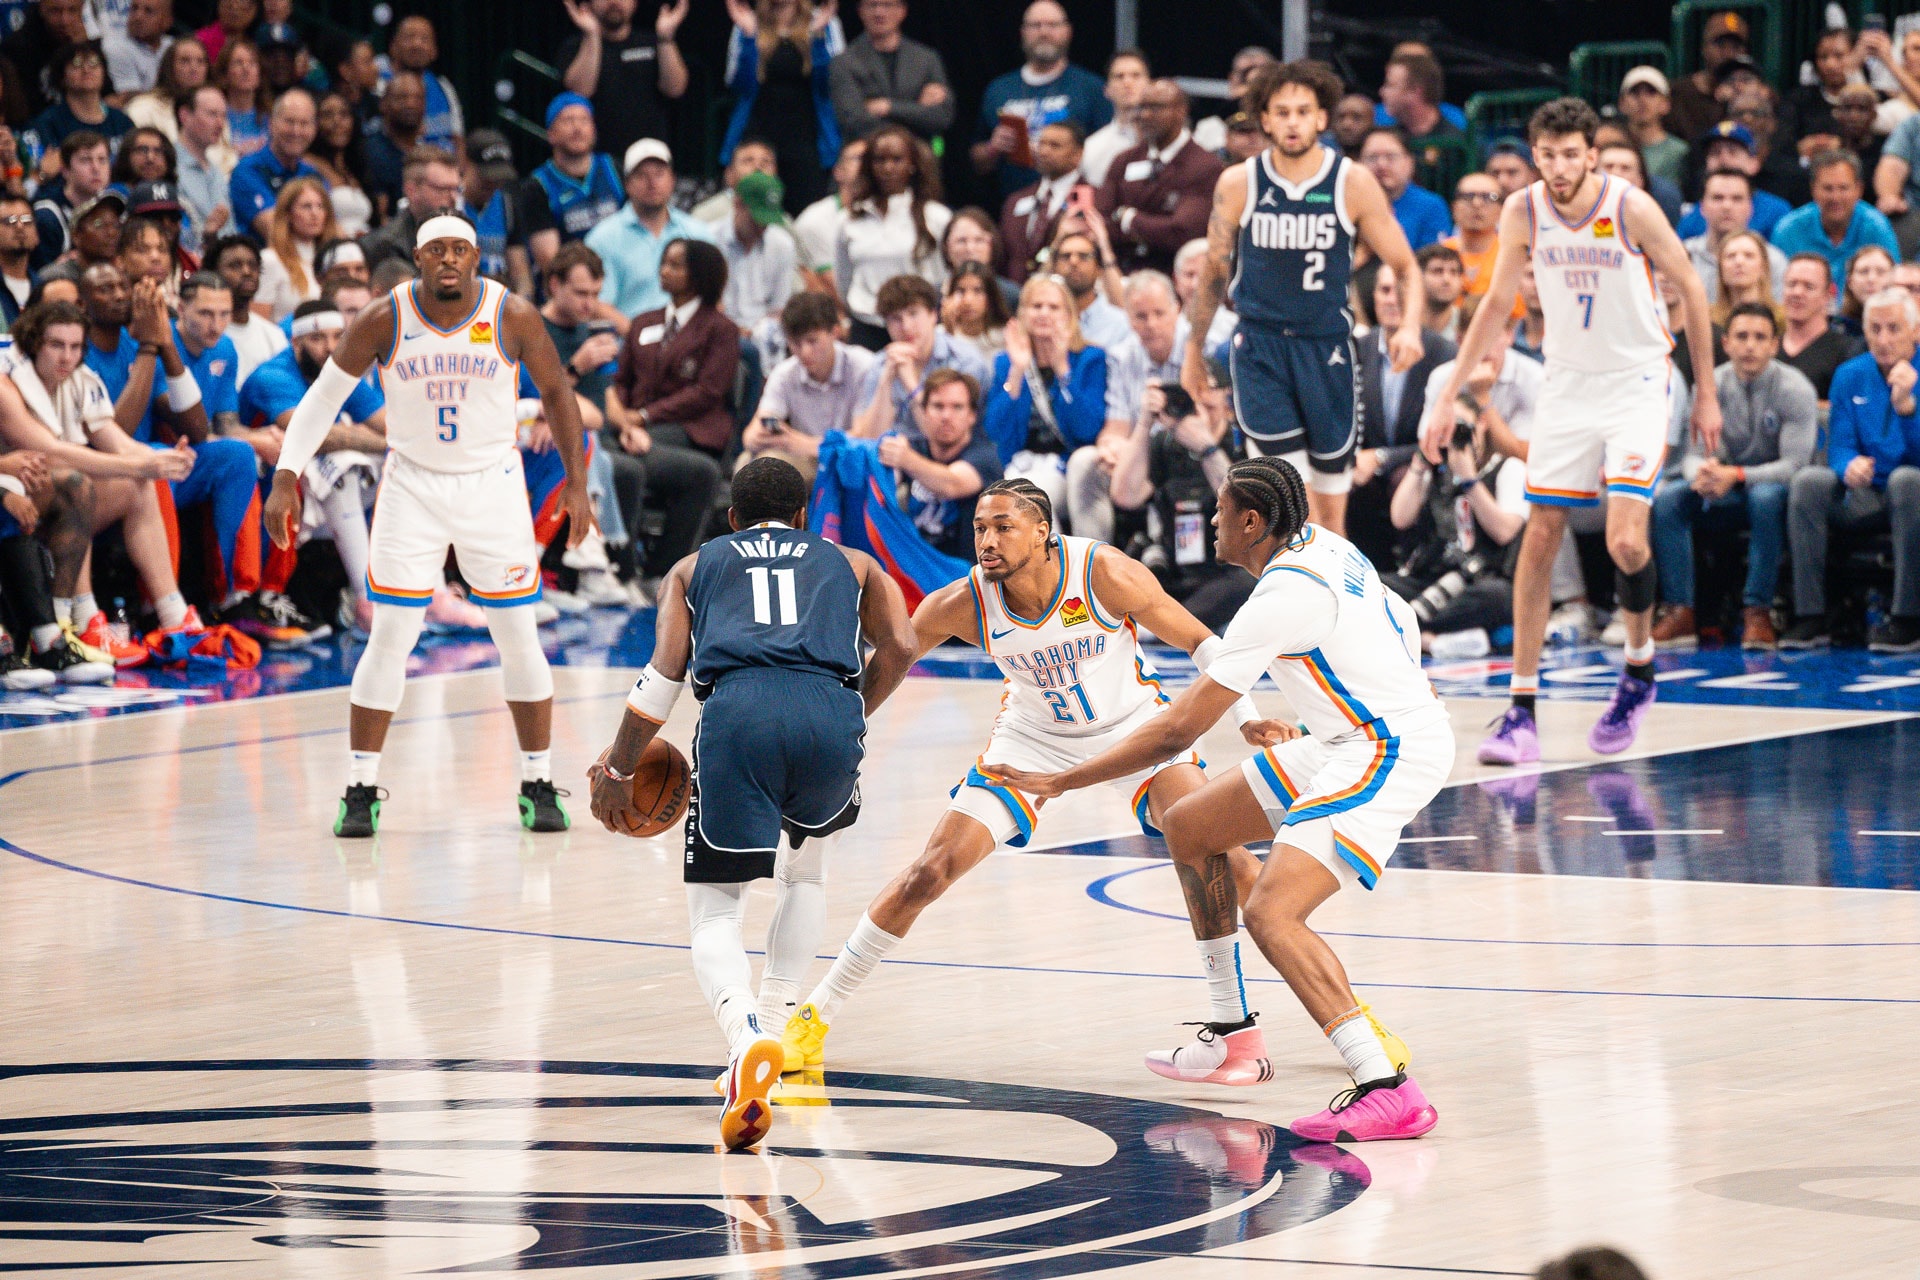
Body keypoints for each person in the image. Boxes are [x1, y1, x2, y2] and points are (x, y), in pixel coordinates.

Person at [986, 457, 1448, 1139]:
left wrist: (1062, 780)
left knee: (1273, 914)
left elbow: (1176, 729)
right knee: (1189, 824)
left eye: (1220, 509)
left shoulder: (1280, 596)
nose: (1209, 520)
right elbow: (1398, 619)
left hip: (1383, 748)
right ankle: (1233, 1034)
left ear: (1251, 522)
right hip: (1343, 734)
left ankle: (1383, 1083)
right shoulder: (1329, 546)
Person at [790, 473, 1290, 1082]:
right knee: (930, 871)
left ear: (1043, 531)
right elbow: (893, 656)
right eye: (979, 529)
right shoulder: (962, 601)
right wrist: (841, 731)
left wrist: (1250, 719)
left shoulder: (1103, 572)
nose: (988, 541)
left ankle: (1323, 1006)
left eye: (1004, 527)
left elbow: (1204, 643)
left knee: (1223, 856)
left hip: (1133, 727)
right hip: (1032, 741)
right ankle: (812, 1019)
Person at [587, 455, 914, 1152]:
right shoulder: (852, 562)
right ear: (803, 517)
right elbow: (905, 644)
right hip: (829, 710)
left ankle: (746, 1038)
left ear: (731, 519)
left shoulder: (692, 566)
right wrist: (854, 711)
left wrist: (618, 765)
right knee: (807, 874)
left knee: (716, 909)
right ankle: (777, 1020)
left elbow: (660, 681)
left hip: (739, 714)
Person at [263, 212, 594, 836]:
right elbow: (321, 400)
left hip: (491, 484)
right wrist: (286, 475)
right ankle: (360, 788)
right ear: (418, 258)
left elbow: (556, 394)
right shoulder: (384, 317)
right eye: (435, 249)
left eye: (459, 249)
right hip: (412, 484)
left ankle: (538, 780)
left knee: (517, 635)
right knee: (391, 634)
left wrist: (577, 483)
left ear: (476, 258)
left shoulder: (512, 314)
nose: (448, 259)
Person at [1432, 97, 1719, 766]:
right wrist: (1449, 391)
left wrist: (1704, 391)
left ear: (1591, 153)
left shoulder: (1630, 208)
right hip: (1567, 383)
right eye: (1548, 153)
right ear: (1535, 154)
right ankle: (1520, 710)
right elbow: (1497, 302)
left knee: (1624, 539)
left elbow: (1692, 291)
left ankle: (1639, 666)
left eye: (1571, 153)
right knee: (1540, 538)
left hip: (1638, 381)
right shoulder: (1522, 209)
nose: (1559, 166)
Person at [1185, 62, 1426, 538]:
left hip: (1328, 350)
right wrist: (1193, 351)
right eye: (1281, 112)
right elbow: (1213, 276)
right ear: (1265, 119)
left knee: (1332, 514)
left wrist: (1412, 326)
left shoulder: (1350, 182)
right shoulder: (1239, 184)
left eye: (1303, 111)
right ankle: (1299, 605)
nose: (1292, 121)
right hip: (1260, 349)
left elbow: (1405, 266)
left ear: (1321, 118)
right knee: (1290, 504)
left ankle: (1336, 603)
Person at [1650, 302, 1812, 652]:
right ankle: (1681, 611)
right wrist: (1704, 473)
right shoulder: (1711, 386)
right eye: (1741, 336)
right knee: (1669, 499)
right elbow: (1692, 457)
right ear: (1726, 343)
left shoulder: (1794, 387)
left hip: (1773, 491)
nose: (1750, 345)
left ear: (1774, 344)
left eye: (1759, 338)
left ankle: (1758, 611)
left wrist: (1736, 474)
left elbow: (1795, 466)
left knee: (1765, 497)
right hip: (1724, 488)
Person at [1784, 287, 1920, 653]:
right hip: (1866, 492)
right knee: (1810, 482)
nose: (1883, 339)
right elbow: (1840, 443)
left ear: (1915, 330)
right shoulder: (1850, 374)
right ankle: (1811, 614)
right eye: (1874, 329)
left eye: (1893, 328)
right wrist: (1847, 466)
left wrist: (1908, 410)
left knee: (1908, 481)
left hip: (1910, 493)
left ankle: (1908, 618)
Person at [1386, 386, 1530, 652]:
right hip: (1433, 578)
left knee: (1497, 598)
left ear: (1482, 424)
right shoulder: (1433, 469)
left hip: (1482, 579)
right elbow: (1400, 518)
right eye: (1446, 428)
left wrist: (1469, 479)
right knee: (1376, 585)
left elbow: (1505, 532)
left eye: (1461, 426)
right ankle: (1434, 640)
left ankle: (1409, 634)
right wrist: (1420, 461)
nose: (1453, 435)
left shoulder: (1509, 468)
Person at [1110, 355, 1249, 626]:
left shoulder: (1241, 442)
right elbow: (1126, 496)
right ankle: (1168, 624)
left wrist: (1208, 449)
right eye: (1190, 393)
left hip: (1223, 575)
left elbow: (1244, 509)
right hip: (1172, 573)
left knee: (1249, 581)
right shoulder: (1165, 443)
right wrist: (1145, 423)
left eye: (1207, 390)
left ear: (1226, 396)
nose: (1198, 402)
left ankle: (1169, 626)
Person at [1349, 258, 1456, 569]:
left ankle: (1412, 571)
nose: (1392, 299)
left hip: (1423, 464)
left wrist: (1382, 457)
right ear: (1374, 297)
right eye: (1384, 290)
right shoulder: (1357, 348)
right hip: (1364, 467)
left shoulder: (1444, 353)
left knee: (1403, 477)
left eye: (1401, 291)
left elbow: (1444, 438)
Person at [980, 274, 1106, 515]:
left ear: (1069, 316)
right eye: (1036, 306)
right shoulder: (1006, 362)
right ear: (1023, 314)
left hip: (1069, 467)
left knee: (1027, 503)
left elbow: (1088, 429)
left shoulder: (1090, 359)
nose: (1044, 313)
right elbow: (995, 432)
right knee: (1016, 498)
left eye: (1054, 307)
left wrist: (1062, 370)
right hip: (1019, 466)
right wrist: (1017, 372)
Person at [607, 237, 738, 463]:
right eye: (664, 263)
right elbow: (622, 379)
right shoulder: (642, 321)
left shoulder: (720, 328)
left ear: (699, 274)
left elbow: (706, 392)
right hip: (632, 419)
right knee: (599, 442)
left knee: (633, 449)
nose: (664, 271)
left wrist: (645, 416)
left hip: (691, 426)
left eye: (675, 266)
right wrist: (621, 416)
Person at [971, 0, 1111, 198]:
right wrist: (992, 148)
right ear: (1022, 33)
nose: (1044, 32)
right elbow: (977, 162)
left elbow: (1108, 151)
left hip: (1073, 201)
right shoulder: (998, 90)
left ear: (1068, 31)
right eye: (1035, 25)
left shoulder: (1092, 87)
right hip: (1014, 205)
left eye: (1053, 25)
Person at [835, 123, 949, 347]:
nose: (888, 168)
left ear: (912, 164)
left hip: (918, 328)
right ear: (870, 165)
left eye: (897, 159)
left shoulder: (935, 216)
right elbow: (843, 279)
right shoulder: (848, 219)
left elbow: (943, 276)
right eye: (879, 160)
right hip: (866, 326)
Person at [1096, 79, 1222, 276]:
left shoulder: (1205, 166)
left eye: (1156, 107)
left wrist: (1127, 218)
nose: (1145, 115)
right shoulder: (1123, 160)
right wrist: (1155, 227)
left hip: (1174, 276)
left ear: (1181, 111)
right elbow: (1099, 222)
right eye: (1141, 107)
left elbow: (1181, 232)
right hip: (1121, 272)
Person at [747, 291, 875, 478]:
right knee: (749, 464)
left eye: (812, 341)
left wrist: (801, 443)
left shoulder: (864, 366)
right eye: (796, 343)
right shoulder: (785, 372)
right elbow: (750, 435)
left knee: (769, 467)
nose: (805, 351)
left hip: (852, 463)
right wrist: (761, 436)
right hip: (808, 461)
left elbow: (864, 438)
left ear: (835, 332)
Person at [880, 367, 1002, 559]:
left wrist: (905, 459)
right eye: (938, 406)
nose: (946, 416)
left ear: (972, 416)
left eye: (957, 407)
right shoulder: (915, 449)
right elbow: (879, 478)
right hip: (916, 560)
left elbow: (952, 484)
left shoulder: (985, 456)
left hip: (966, 571)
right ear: (924, 411)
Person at [850, 272, 988, 437]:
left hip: (956, 457)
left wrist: (911, 385)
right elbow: (869, 439)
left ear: (933, 315)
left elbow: (945, 437)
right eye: (896, 319)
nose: (906, 326)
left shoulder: (965, 361)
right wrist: (886, 381)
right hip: (894, 455)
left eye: (913, 314)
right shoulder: (880, 364)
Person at [558, 0, 689, 166]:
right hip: (597, 163)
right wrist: (592, 36)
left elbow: (675, 89)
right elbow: (580, 92)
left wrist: (665, 38)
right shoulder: (574, 47)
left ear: (635, 4)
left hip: (648, 161)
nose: (614, 2)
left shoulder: (651, 42)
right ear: (589, 4)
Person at [520, 93, 624, 279]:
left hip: (620, 276)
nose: (577, 128)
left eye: (584, 120)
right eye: (568, 120)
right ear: (551, 134)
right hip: (571, 286)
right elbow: (551, 264)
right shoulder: (537, 186)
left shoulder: (614, 169)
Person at [829, 0, 951, 144]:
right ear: (860, 11)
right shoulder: (843, 63)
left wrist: (887, 107)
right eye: (872, 5)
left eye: (887, 5)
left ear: (902, 11)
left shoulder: (926, 59)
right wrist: (915, 110)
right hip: (868, 155)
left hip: (920, 156)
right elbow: (852, 120)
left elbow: (942, 117)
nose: (879, 12)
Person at [1770, 150, 1897, 284]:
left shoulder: (1877, 227)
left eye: (1843, 188)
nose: (1835, 198)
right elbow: (1776, 286)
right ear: (1813, 189)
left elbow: (1893, 283)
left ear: (1859, 189)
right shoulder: (1788, 230)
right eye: (1828, 188)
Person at [997, 119, 1088, 285]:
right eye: (1042, 144)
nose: (1044, 151)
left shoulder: (1090, 196)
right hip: (1017, 293)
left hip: (1065, 293)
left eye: (1055, 146)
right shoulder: (1015, 200)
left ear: (1078, 154)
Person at [227, 85, 319, 240]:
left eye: (304, 124)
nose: (296, 131)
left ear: (314, 129)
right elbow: (276, 232)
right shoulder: (248, 171)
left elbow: (331, 226)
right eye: (289, 122)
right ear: (271, 123)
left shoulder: (312, 175)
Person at [22, 41, 132, 163]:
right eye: (76, 64)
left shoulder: (122, 121)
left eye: (94, 63)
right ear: (62, 77)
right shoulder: (48, 124)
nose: (86, 69)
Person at [1685, 169, 1787, 301]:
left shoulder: (1773, 261)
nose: (1727, 206)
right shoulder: (1684, 256)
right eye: (1718, 198)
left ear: (1750, 207)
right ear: (1702, 206)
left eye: (1737, 199)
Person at [1676, 124, 1791, 240]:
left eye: (1733, 152)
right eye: (1715, 152)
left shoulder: (1777, 212)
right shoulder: (1692, 218)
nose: (1724, 159)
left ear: (1754, 163)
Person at [1779, 252, 1861, 401]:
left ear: (1828, 295)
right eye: (1791, 284)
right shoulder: (1767, 346)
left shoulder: (1847, 352)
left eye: (1809, 287)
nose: (1797, 292)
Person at [375, 15, 461, 154]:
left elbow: (458, 139)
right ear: (393, 46)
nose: (417, 44)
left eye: (425, 39)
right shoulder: (376, 79)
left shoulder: (443, 86)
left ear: (434, 51)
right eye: (409, 37)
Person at [460, 129, 531, 297]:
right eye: (485, 177)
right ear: (466, 163)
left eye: (498, 178)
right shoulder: (450, 204)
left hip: (501, 299)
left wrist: (520, 304)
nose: (492, 183)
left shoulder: (507, 204)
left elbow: (521, 274)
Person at [1379, 50, 1463, 190]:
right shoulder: (1388, 138)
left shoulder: (1455, 143)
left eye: (1390, 85)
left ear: (1415, 92)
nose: (1382, 92)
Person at [205, 234, 284, 382]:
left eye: (253, 265)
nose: (247, 272)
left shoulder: (274, 335)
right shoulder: (204, 333)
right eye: (235, 265)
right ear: (213, 273)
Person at [252, 175, 332, 321]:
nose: (315, 213)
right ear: (288, 214)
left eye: (320, 206)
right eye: (306, 206)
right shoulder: (270, 260)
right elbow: (259, 322)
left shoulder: (332, 259)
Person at [1360, 126, 1450, 252]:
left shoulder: (1431, 206)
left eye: (1391, 157)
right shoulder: (1347, 202)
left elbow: (1432, 261)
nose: (1381, 165)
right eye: (1372, 157)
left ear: (1409, 162)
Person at [29, 130, 109, 271]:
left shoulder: (114, 207)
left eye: (102, 160)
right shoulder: (47, 216)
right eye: (85, 160)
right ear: (65, 170)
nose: (96, 168)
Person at [1667, 9, 1748, 143]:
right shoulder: (1678, 93)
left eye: (1735, 47)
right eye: (1720, 45)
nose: (1728, 54)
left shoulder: (1751, 95)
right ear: (1704, 49)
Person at [793, 136, 863, 286]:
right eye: (859, 158)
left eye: (872, 159)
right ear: (838, 172)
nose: (867, 165)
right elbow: (834, 285)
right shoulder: (815, 220)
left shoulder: (896, 212)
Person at [306, 89, 372, 237]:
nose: (337, 122)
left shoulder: (355, 167)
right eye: (327, 115)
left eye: (344, 114)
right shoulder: (307, 164)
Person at [173, 86, 231, 252]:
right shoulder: (171, 168)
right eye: (212, 114)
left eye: (223, 116)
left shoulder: (217, 172)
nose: (220, 124)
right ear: (185, 116)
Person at [1080, 49, 1148, 187]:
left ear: (1149, 83)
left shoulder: (1170, 138)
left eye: (1136, 75)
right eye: (1119, 76)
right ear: (1107, 90)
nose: (1127, 83)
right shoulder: (1091, 149)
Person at [125, 35, 211, 143]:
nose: (194, 68)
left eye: (201, 61)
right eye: (185, 61)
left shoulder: (215, 111)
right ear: (169, 67)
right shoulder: (144, 107)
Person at [1192, 45, 1276, 153]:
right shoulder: (1209, 128)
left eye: (1261, 77)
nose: (1251, 80)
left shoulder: (1285, 122)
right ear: (1231, 78)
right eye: (1243, 74)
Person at [1443, 171, 1509, 303]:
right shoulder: (1439, 254)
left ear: (1502, 209)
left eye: (1489, 197)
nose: (1477, 203)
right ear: (1453, 207)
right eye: (1467, 196)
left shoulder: (1511, 256)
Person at [1617, 66, 1686, 188]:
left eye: (1651, 92)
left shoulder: (1680, 153)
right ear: (1621, 103)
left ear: (1665, 104)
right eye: (1634, 92)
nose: (1642, 100)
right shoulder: (1612, 149)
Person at [1710, 229, 1781, 329]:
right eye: (1731, 256)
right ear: (1720, 268)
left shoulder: (1782, 319)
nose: (1739, 262)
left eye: (1749, 256)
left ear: (1763, 267)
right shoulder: (1707, 320)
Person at [940, 259, 1010, 360]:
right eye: (961, 291)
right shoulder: (939, 336)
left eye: (978, 291)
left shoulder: (1006, 336)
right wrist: (949, 331)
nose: (968, 301)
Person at [104, 0, 174, 98]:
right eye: (134, 8)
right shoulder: (116, 47)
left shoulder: (172, 46)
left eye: (148, 11)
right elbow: (132, 97)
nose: (138, 17)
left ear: (167, 21)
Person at [213, 37, 267, 157]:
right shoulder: (213, 115)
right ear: (224, 74)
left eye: (252, 63)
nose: (246, 68)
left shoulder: (271, 117)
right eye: (238, 62)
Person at [0, 194, 37, 332]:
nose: (20, 226)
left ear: (37, 235)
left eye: (27, 221)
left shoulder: (44, 288)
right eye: (9, 221)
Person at [1418, 243, 1464, 341]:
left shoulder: (1469, 326)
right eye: (1438, 271)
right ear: (1418, 278)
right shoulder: (1402, 322)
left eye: (1454, 272)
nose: (1447, 279)